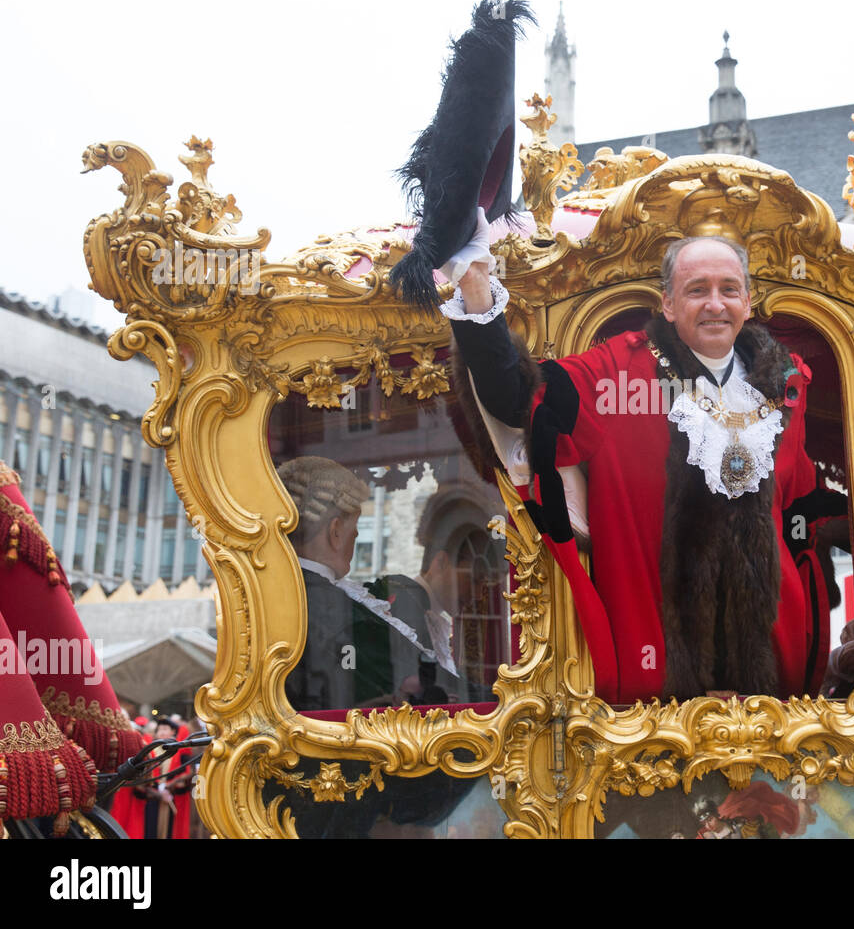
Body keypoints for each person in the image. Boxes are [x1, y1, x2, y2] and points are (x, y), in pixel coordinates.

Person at [445, 223, 826, 702]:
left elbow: (801, 516)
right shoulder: (617, 373)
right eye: (696, 290)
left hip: (776, 688)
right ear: (667, 304)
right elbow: (518, 397)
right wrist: (475, 281)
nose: (715, 304)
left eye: (729, 289)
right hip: (656, 692)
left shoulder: (788, 386)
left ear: (748, 302)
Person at [277, 456, 449, 711]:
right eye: (355, 528)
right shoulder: (340, 611)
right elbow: (434, 690)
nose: (355, 537)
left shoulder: (281, 592)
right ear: (336, 531)